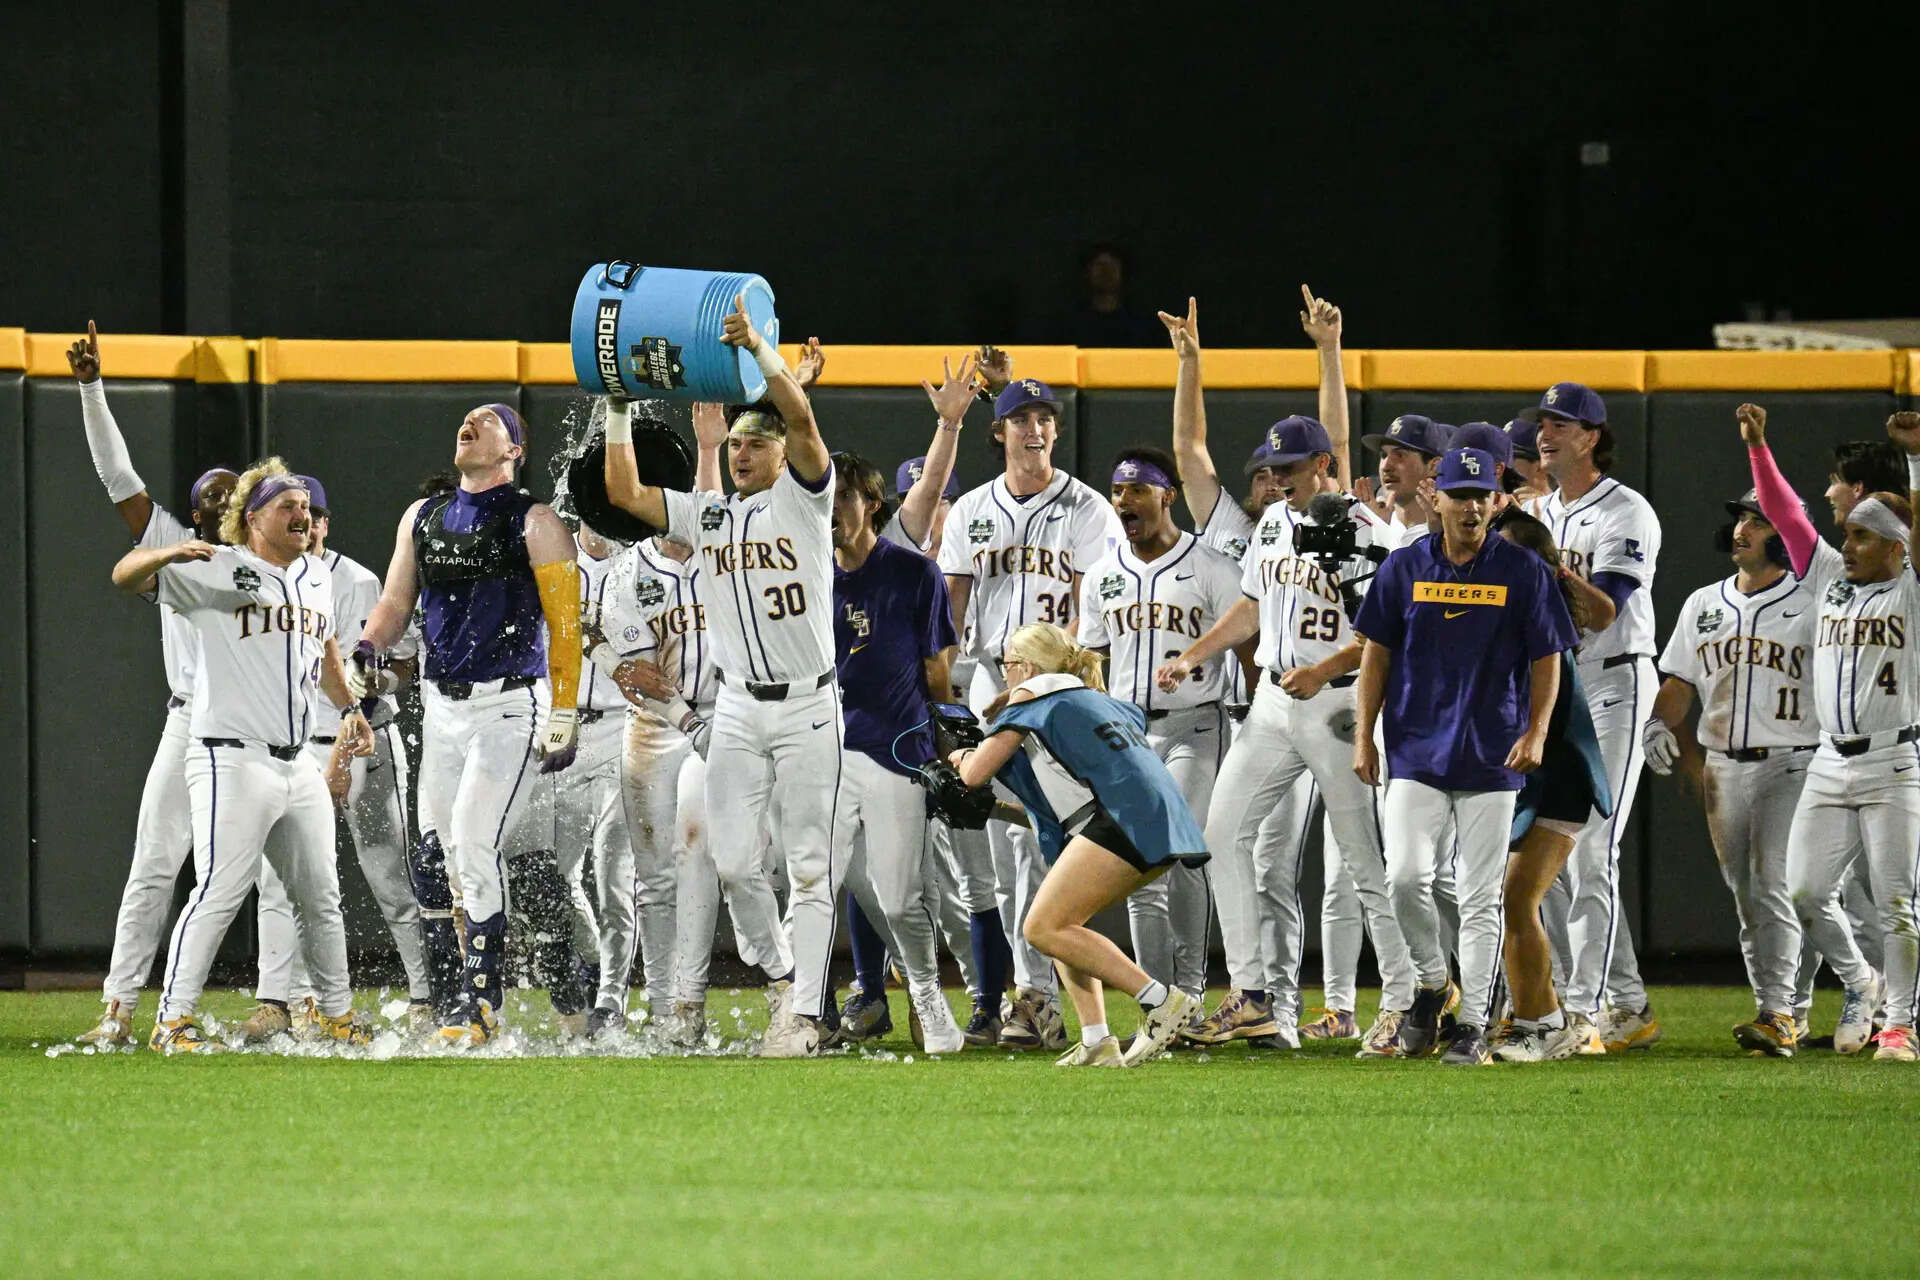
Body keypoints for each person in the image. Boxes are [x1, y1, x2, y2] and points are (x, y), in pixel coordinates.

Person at [602, 297, 843, 1057]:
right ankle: (781, 976)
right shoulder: (709, 516)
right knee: (735, 860)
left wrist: (770, 359)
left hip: (808, 704)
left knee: (807, 867)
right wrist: (616, 409)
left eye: (754, 443)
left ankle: (802, 1015)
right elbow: (627, 496)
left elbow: (803, 423)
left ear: (778, 454)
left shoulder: (807, 503)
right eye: (735, 443)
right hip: (737, 709)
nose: (741, 453)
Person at [1158, 411, 1416, 1053]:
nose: (1276, 480)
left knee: (1363, 860)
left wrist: (1324, 669)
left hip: (1338, 704)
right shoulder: (1273, 522)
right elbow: (1250, 605)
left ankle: (1404, 1000)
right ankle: (1251, 996)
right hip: (1274, 702)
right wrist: (1197, 653)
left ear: (1324, 465)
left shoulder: (1372, 535)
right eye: (1270, 470)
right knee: (1220, 834)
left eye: (1290, 469)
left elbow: (1386, 637)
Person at [111, 462, 373, 1051]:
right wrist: (164, 554)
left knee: (320, 897)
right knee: (219, 891)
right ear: (252, 518)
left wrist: (350, 708)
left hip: (296, 761)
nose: (302, 514)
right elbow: (123, 576)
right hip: (229, 758)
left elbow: (325, 645)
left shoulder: (313, 575)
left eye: (305, 505)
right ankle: (172, 1020)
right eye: (287, 506)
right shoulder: (216, 568)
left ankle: (336, 1014)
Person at [351, 400, 584, 1047]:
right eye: (467, 418)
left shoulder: (536, 521)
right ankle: (449, 1002)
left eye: (490, 420)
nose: (470, 423)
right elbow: (396, 603)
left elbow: (566, 629)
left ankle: (484, 1009)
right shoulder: (422, 517)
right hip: (443, 703)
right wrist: (367, 658)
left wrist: (564, 710)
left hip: (510, 703)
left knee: (472, 843)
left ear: (514, 449)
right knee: (429, 856)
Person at [1353, 447, 1579, 1064]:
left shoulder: (1523, 570)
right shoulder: (1403, 567)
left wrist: (1535, 732)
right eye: (1460, 493)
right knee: (1404, 878)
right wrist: (1362, 734)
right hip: (1416, 749)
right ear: (1435, 497)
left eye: (1483, 494)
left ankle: (1474, 1022)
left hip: (1491, 753)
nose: (1472, 504)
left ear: (1498, 502)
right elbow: (1376, 653)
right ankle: (1432, 983)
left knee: (1481, 898)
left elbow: (1547, 657)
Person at [66, 322, 240, 1048]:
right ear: (195, 511)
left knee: (275, 875)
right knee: (156, 865)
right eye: (213, 497)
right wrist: (90, 387)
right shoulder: (177, 546)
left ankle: (286, 1005)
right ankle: (118, 1008)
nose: (223, 503)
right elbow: (118, 477)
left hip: (256, 733)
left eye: (235, 496)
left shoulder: (277, 562)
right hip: (191, 722)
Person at [937, 374, 1122, 1050]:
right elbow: (952, 611)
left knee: (1062, 845)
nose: (1035, 428)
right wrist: (949, 690)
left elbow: (1086, 612)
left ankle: (1068, 995)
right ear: (1001, 431)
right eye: (1022, 418)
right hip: (991, 683)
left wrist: (1047, 687)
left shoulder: (1088, 507)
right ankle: (1033, 995)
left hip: (1059, 691)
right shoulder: (970, 511)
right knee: (1011, 848)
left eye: (1045, 417)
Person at [1742, 403, 1920, 1061]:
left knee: (1897, 904)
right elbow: (1787, 516)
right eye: (1847, 536)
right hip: (1828, 763)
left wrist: (1915, 460)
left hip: (1894, 763)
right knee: (1806, 892)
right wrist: (1760, 447)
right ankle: (1861, 981)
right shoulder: (1830, 582)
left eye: (1863, 537)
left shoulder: (1912, 588)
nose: (1846, 545)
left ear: (1897, 547)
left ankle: (1901, 1024)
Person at [950, 623, 1203, 1066]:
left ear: (1025, 667)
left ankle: (1160, 1000)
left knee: (1041, 927)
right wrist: (997, 810)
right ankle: (1096, 1041)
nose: (1005, 675)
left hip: (1122, 818)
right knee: (1062, 928)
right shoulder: (1094, 700)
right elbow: (1069, 803)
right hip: (1154, 819)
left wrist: (959, 756)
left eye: (1008, 665)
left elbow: (972, 775)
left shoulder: (1034, 697)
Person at [247, 474, 432, 1041]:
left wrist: (376, 680)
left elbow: (401, 667)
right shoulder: (264, 580)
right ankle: (281, 1001)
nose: (310, 522)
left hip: (365, 743)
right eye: (298, 510)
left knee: (390, 878)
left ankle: (426, 994)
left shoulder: (357, 580)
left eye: (316, 512)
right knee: (280, 884)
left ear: (326, 522)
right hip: (300, 750)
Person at [1641, 489, 1816, 1055]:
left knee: (1774, 885)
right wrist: (1656, 726)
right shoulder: (1702, 603)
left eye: (1757, 520)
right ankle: (1786, 1007)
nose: (1742, 528)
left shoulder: (1813, 599)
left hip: (1795, 761)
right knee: (1747, 895)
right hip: (1724, 766)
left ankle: (1783, 1010)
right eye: (1739, 517)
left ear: (1786, 533)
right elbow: (1679, 683)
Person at [1078, 446, 1245, 1008]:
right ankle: (1158, 1002)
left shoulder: (1214, 565)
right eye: (1118, 490)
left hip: (1195, 725)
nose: (1124, 500)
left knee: (1184, 853)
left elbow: (1244, 646)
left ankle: (1192, 994)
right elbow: (1091, 662)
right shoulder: (1102, 575)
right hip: (1127, 732)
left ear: (1167, 496)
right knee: (1136, 866)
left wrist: (1251, 718)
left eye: (1138, 489)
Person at [1523, 381, 1663, 1052]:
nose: (1547, 431)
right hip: (1557, 687)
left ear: (1592, 436)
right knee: (1548, 855)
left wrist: (1547, 566)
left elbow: (1604, 611)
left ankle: (1580, 1014)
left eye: (1563, 422)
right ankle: (1627, 1002)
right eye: (1543, 420)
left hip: (1615, 684)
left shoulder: (1626, 510)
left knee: (1590, 853)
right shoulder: (1537, 507)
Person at [830, 451, 967, 1052]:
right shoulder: (801, 574)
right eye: (825, 497)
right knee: (815, 884)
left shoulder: (914, 573)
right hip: (822, 752)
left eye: (845, 498)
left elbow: (938, 670)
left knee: (902, 893)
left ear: (873, 505)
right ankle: (806, 1008)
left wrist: (943, 746)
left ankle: (928, 990)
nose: (832, 510)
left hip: (897, 747)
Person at [1483, 512, 1613, 1062]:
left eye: (1507, 549)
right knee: (1502, 900)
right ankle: (1530, 1015)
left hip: (1556, 779)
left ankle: (1545, 1022)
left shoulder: (1542, 621)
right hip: (1524, 779)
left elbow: (1550, 724)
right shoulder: (1512, 613)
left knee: (1516, 897)